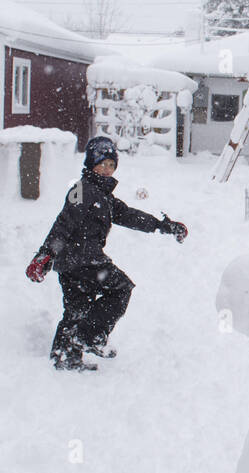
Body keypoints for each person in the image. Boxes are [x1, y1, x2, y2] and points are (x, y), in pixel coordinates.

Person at [26, 135, 188, 371]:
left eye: (111, 165)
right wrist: (45, 254)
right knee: (121, 289)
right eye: (102, 164)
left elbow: (131, 216)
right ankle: (92, 336)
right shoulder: (81, 190)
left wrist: (163, 226)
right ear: (91, 164)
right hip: (83, 259)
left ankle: (65, 358)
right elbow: (64, 222)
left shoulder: (104, 196)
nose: (106, 169)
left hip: (73, 263)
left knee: (77, 309)